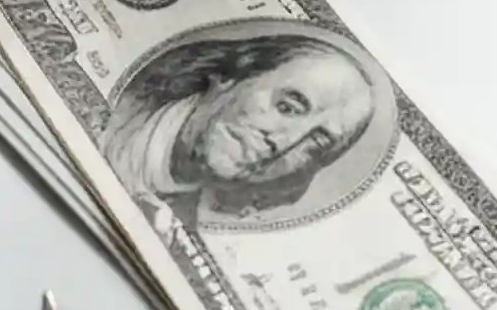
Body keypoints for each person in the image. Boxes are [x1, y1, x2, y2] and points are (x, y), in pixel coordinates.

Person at [99, 33, 376, 235]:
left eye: (315, 145)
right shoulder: (107, 107)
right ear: (230, 77)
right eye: (286, 107)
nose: (283, 143)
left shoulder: (172, 232)